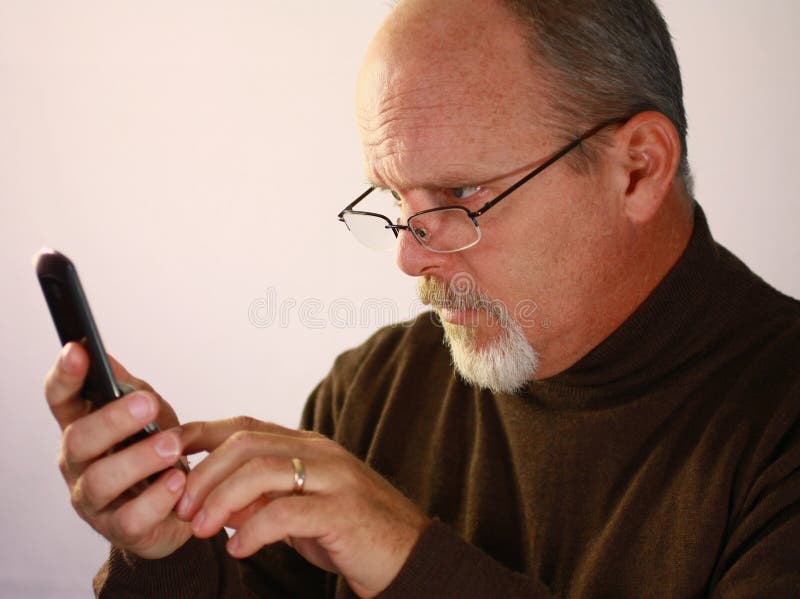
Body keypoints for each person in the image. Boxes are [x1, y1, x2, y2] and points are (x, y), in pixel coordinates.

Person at [45, 0, 800, 597]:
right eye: (395, 200)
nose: (410, 258)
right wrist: (169, 552)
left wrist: (406, 556)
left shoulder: (778, 431)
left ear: (637, 168)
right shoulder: (373, 390)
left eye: (462, 192)